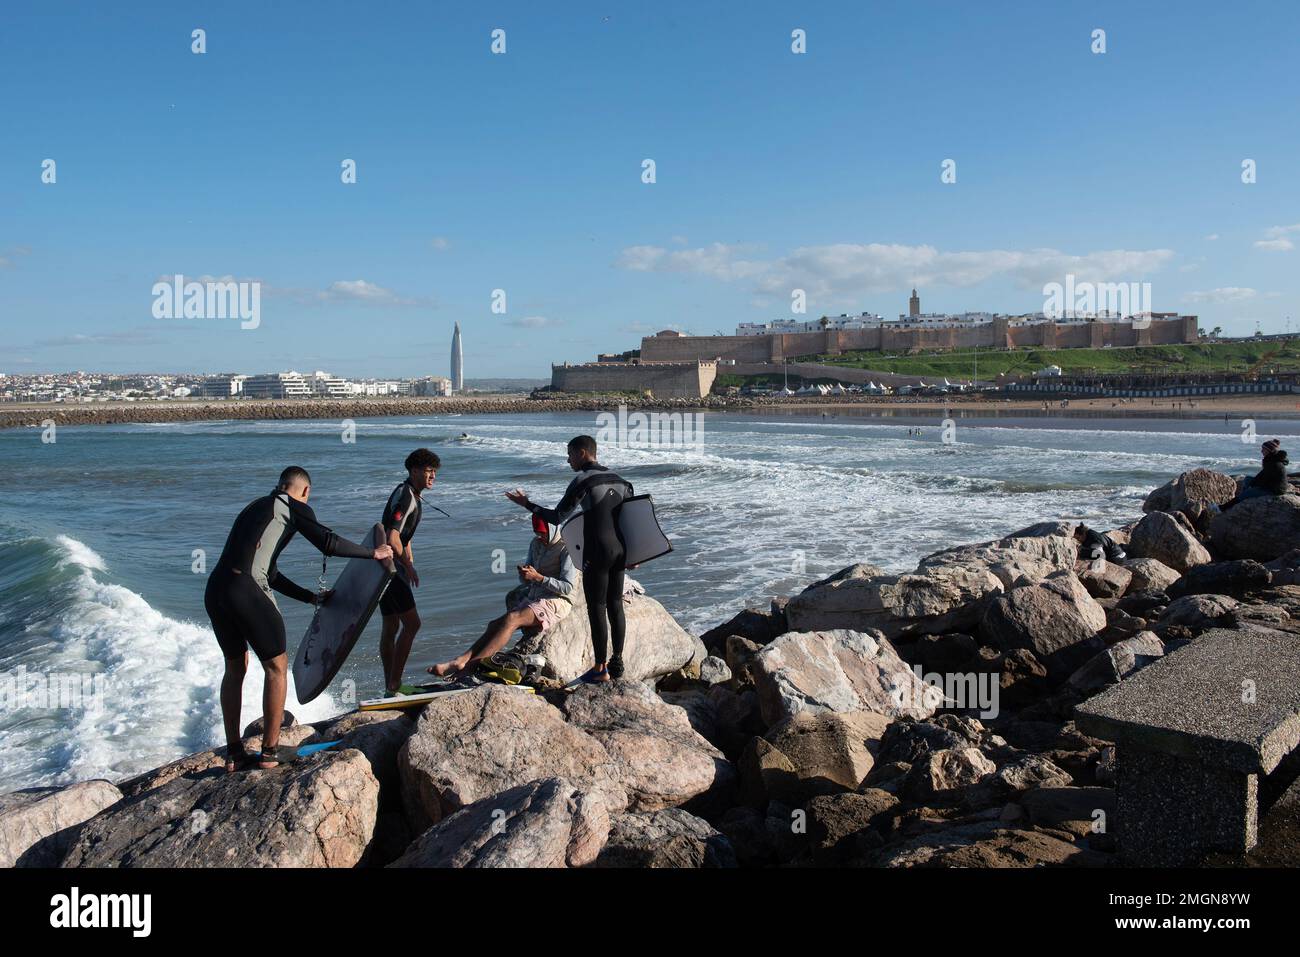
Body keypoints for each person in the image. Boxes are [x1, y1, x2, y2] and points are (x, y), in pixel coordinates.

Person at [206, 466, 392, 772]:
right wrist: (373, 554)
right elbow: (327, 543)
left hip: (216, 590)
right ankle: (269, 752)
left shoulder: (256, 507)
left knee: (235, 667)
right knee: (276, 668)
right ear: (304, 491)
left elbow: (271, 571)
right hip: (247, 589)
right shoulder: (293, 507)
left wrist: (310, 597)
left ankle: (235, 754)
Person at [506, 435, 632, 683]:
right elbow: (630, 520)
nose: (568, 460)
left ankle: (600, 668)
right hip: (621, 550)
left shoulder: (583, 480)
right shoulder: (622, 481)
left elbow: (557, 517)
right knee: (615, 604)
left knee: (598, 607)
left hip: (597, 550)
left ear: (583, 453)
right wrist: (635, 554)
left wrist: (526, 504)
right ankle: (618, 659)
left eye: (570, 454)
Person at [427, 514, 578, 678]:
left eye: (542, 533)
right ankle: (460, 661)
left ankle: (471, 667)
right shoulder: (535, 544)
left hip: (557, 601)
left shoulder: (566, 548)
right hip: (536, 595)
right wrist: (525, 575)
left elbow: (567, 587)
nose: (539, 536)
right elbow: (528, 578)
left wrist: (539, 578)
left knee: (512, 619)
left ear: (552, 529)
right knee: (494, 624)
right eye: (537, 532)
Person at [378, 449, 440, 696]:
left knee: (391, 626)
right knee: (412, 625)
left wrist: (410, 560)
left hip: (384, 569)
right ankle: (394, 684)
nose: (433, 476)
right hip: (391, 570)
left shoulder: (408, 492)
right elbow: (393, 537)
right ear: (414, 471)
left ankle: (389, 687)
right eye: (428, 471)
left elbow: (403, 535)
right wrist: (408, 565)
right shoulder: (407, 497)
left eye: (435, 471)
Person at [1222, 440, 1292, 510]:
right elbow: (1261, 475)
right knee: (1247, 479)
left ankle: (1222, 508)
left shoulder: (1274, 464)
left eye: (1263, 449)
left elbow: (1265, 479)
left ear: (1269, 451)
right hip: (1270, 485)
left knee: (1247, 493)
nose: (1261, 451)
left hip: (1274, 490)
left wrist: (1253, 487)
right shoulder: (1271, 460)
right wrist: (1252, 483)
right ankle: (1241, 499)